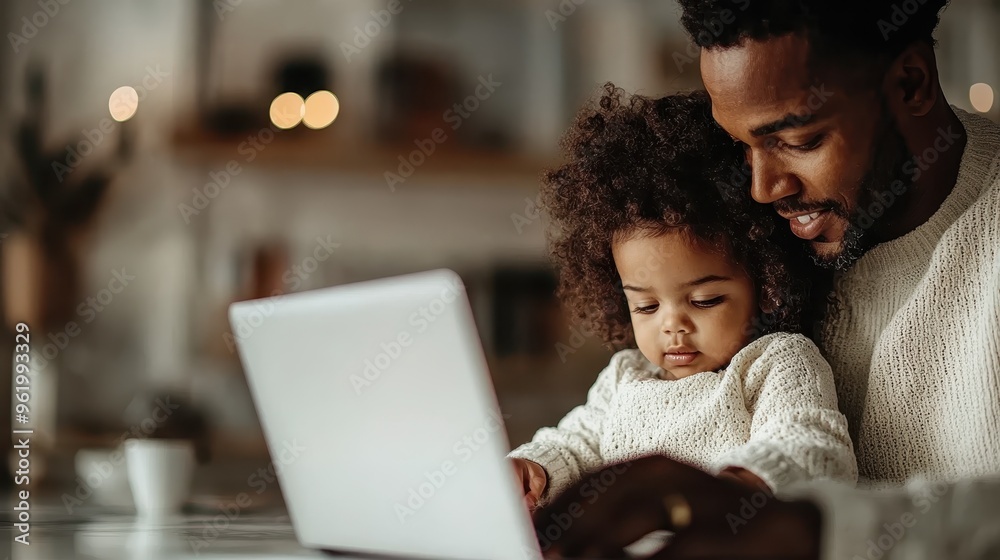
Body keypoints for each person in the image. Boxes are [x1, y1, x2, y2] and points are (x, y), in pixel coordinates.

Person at [533, 1, 1000, 558]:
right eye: (740, 146)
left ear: (911, 82)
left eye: (798, 141)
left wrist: (799, 526)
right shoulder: (768, 236)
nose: (762, 190)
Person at [508, 87, 857, 513]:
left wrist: (736, 484)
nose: (673, 325)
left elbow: (814, 445)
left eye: (705, 300)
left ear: (766, 285)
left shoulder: (773, 365)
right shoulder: (625, 377)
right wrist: (533, 468)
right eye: (647, 307)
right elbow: (575, 445)